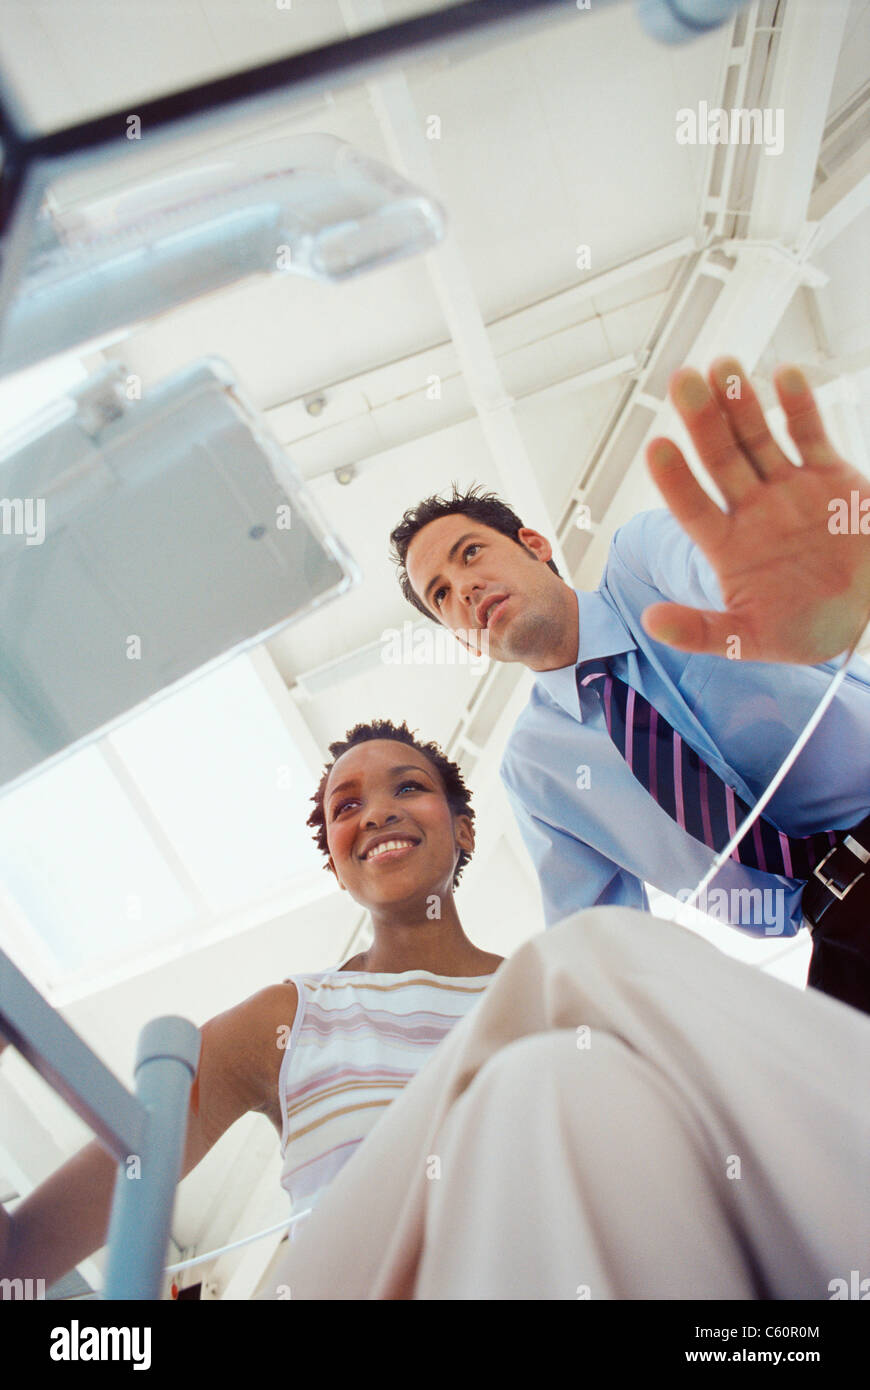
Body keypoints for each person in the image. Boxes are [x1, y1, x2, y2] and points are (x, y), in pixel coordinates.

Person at [389, 358, 870, 1010]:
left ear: (534, 544)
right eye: (441, 595)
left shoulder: (643, 565)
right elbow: (603, 948)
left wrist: (789, 581)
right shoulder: (536, 770)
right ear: (460, 637)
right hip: (843, 930)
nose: (464, 589)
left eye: (470, 553)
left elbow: (717, 573)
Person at [0, 720, 503, 1291]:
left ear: (464, 830)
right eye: (346, 806)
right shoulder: (287, 1021)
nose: (376, 813)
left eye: (408, 787)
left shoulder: (552, 988)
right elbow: (19, 1253)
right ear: (336, 869)